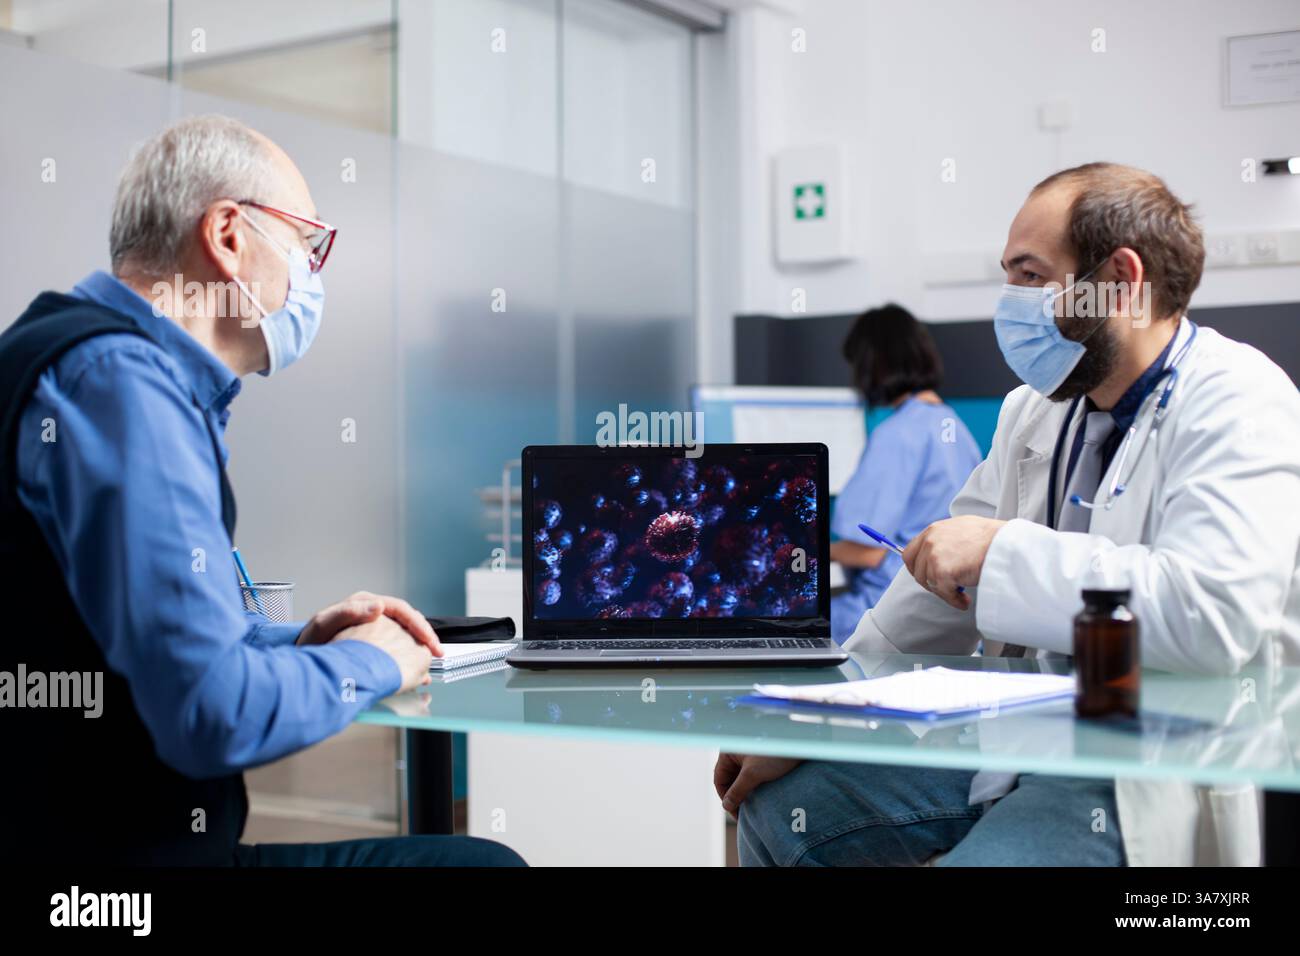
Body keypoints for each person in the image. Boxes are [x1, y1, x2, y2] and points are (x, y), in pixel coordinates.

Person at [716, 162, 1300, 866]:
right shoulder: (1038, 410)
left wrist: (1000, 553)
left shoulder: (1241, 400)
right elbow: (934, 595)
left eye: (1029, 276)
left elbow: (1212, 615)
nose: (1010, 301)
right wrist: (817, 716)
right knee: (783, 816)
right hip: (1022, 732)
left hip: (1144, 763)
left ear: (1120, 276)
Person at [0, 115, 523, 866]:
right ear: (228, 236)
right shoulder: (121, 388)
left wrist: (300, 639)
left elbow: (139, 642)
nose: (312, 275)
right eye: (307, 244)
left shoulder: (76, 360)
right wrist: (374, 661)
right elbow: (211, 716)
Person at [830, 305, 982, 642]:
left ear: (873, 365)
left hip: (887, 606)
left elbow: (868, 553)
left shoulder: (897, 434)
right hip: (945, 607)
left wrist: (807, 549)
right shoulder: (953, 427)